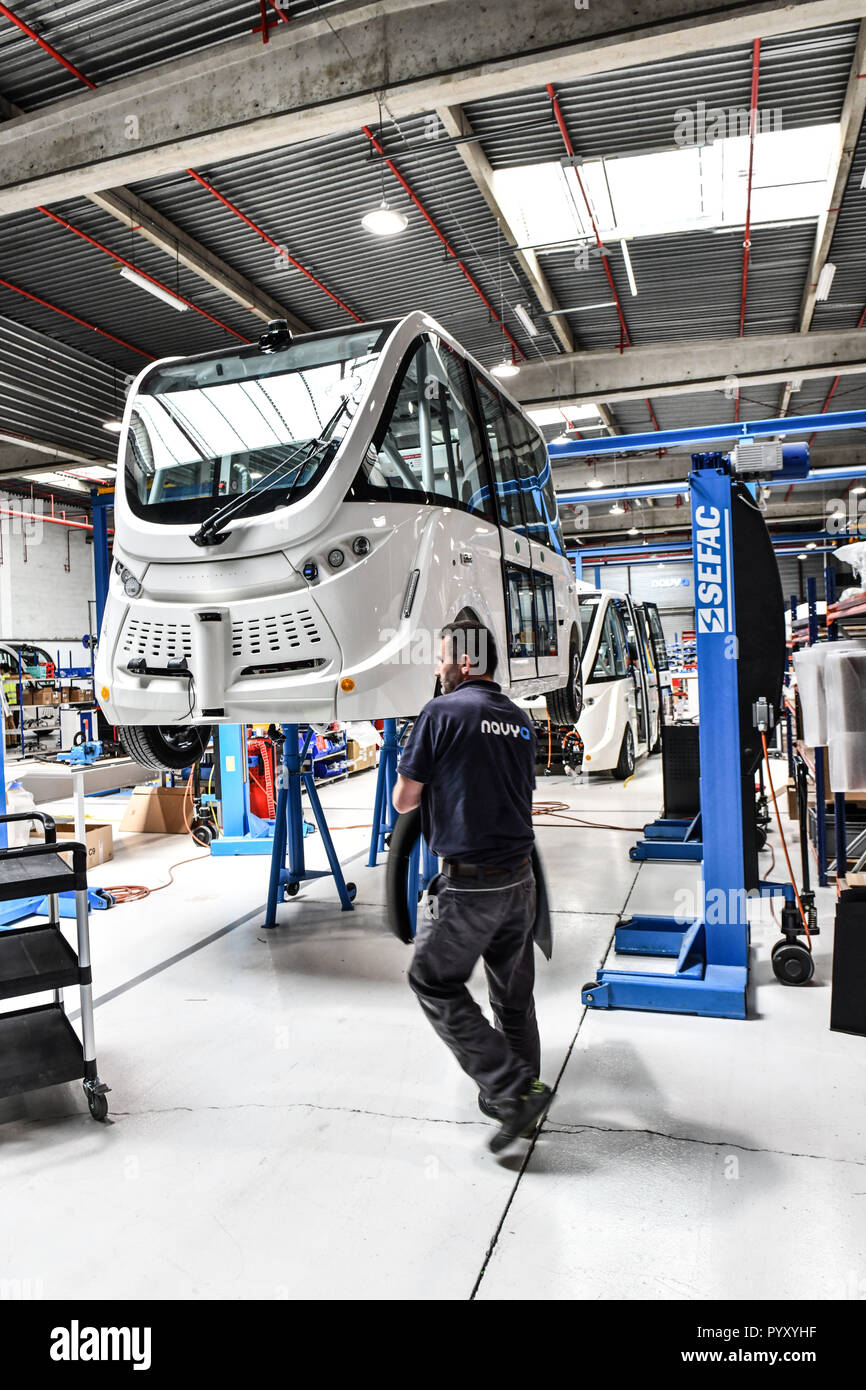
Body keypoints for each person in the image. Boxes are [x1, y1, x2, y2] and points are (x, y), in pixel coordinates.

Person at [393, 619, 553, 1155]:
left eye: (441, 658)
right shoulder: (520, 719)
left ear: (463, 660)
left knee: (432, 981)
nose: (437, 668)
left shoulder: (441, 713)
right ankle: (524, 1094)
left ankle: (511, 1091)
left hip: (471, 888)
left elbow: (404, 801)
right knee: (513, 997)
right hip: (521, 879)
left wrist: (420, 761)